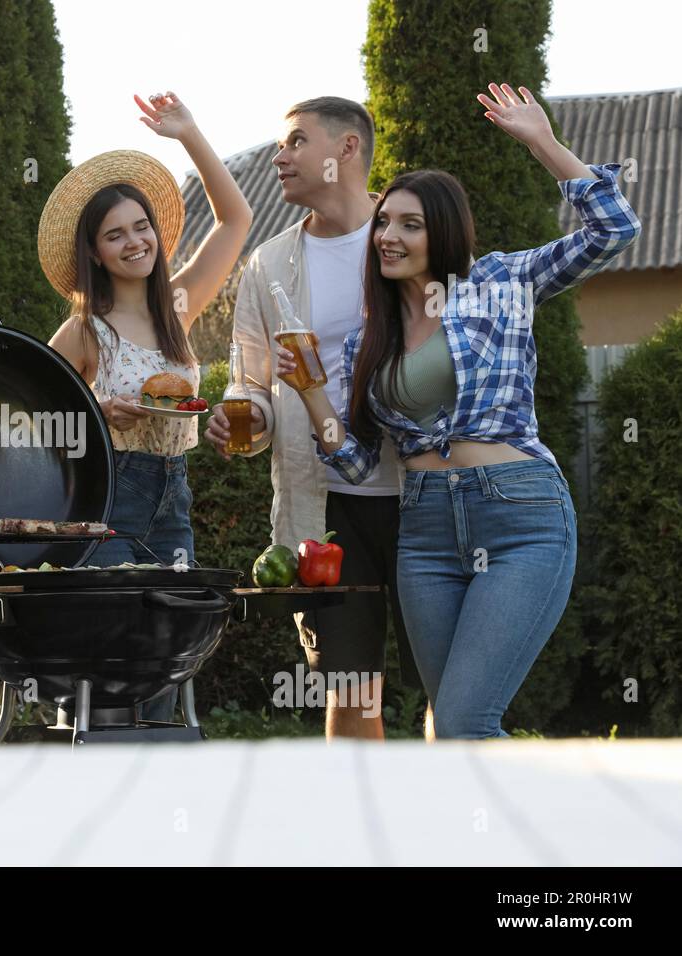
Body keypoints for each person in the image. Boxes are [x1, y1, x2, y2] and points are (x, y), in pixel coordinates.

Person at [278, 83, 640, 739]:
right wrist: (310, 392)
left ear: (442, 233)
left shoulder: (501, 282)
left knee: (467, 721)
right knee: (447, 729)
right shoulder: (371, 338)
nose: (387, 235)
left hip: (518, 516)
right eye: (384, 222)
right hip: (424, 534)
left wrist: (543, 142)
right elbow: (358, 465)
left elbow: (614, 228)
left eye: (409, 224)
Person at [205, 97, 427, 740]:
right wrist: (237, 415)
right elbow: (251, 385)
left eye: (297, 141)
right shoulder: (269, 264)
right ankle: (356, 834)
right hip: (324, 509)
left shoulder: (413, 235)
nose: (280, 155)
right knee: (349, 687)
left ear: (347, 150)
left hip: (426, 494)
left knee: (445, 678)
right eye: (281, 143)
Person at [40, 91, 251, 722]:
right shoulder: (84, 330)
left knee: (168, 661)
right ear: (95, 251)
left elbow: (235, 220)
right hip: (108, 501)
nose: (134, 242)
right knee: (107, 668)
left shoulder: (179, 306)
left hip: (172, 500)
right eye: (115, 234)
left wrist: (189, 135)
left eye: (141, 226)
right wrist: (96, 411)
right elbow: (30, 424)